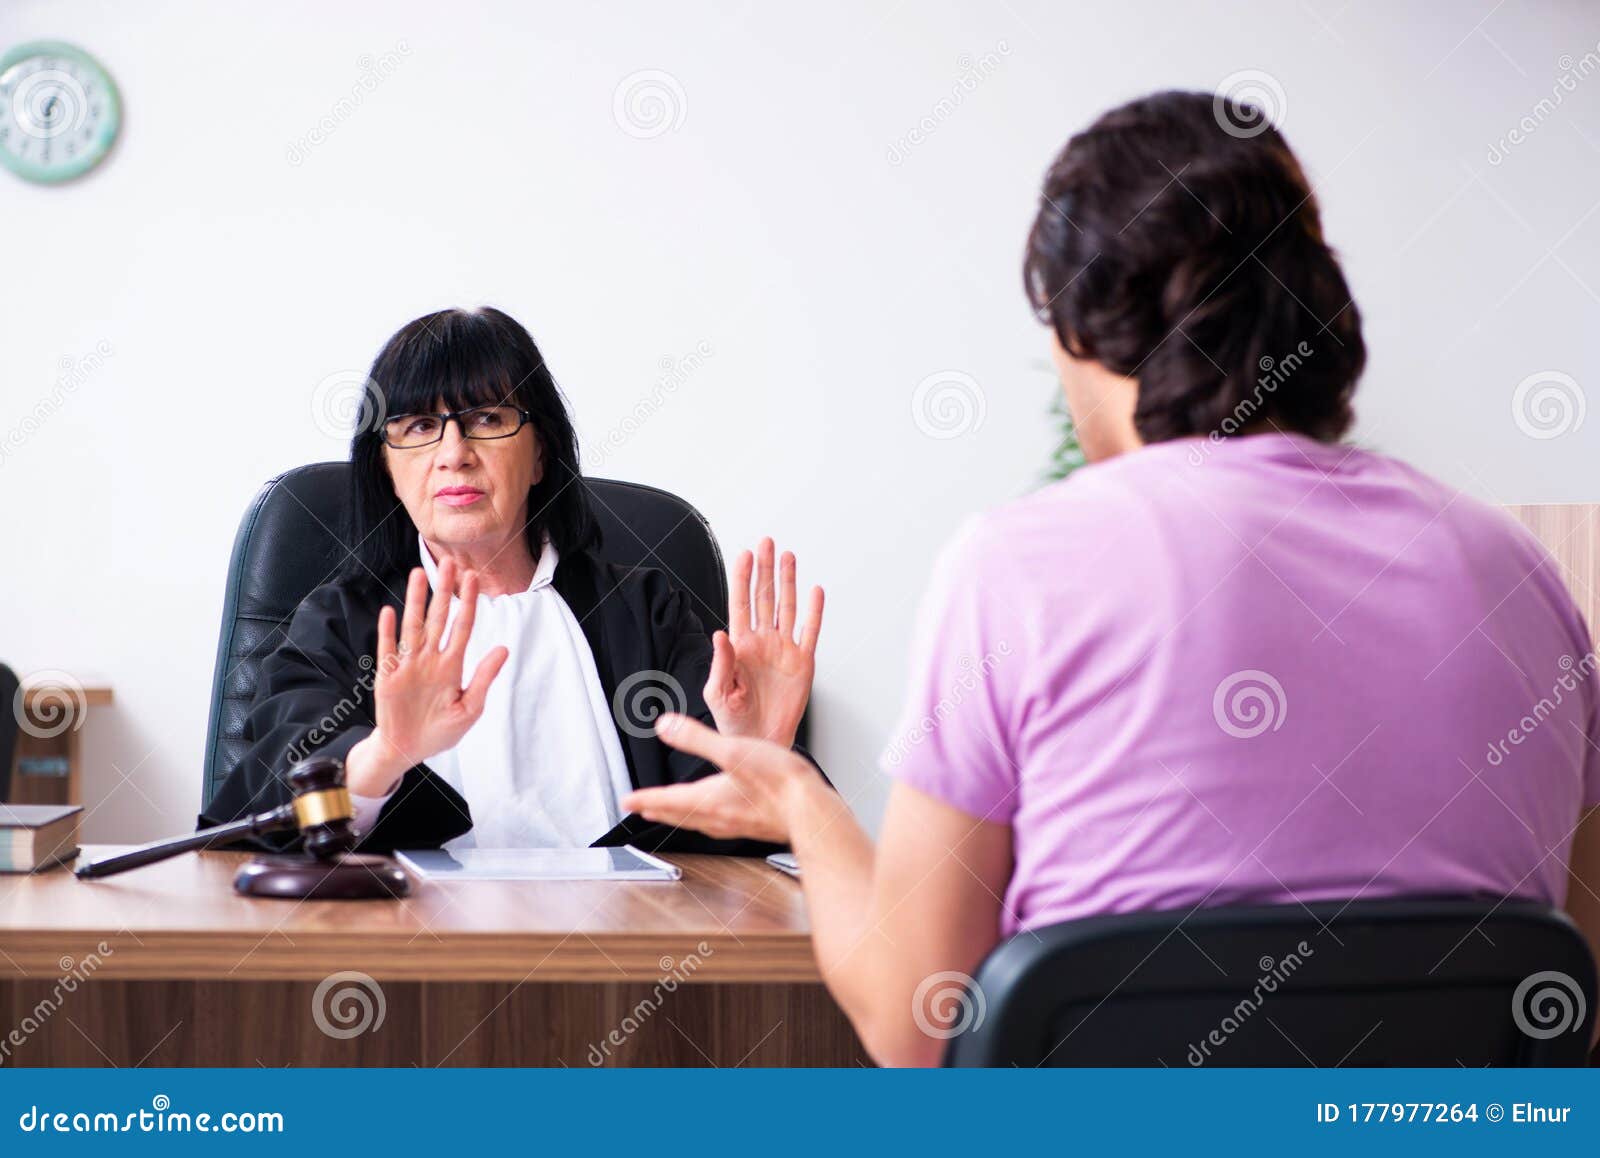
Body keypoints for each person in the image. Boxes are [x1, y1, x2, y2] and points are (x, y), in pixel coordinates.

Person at [622, 90, 1600, 1065]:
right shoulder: (1513, 573)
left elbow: (915, 1024)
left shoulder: (1019, 568)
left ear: (1080, 329)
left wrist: (801, 799)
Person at [203, 306, 824, 856]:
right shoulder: (341, 619)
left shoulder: (643, 610)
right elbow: (266, 804)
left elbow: (725, 843)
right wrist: (385, 753)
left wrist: (761, 756)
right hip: (405, 953)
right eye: (418, 427)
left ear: (541, 455)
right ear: (387, 469)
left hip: (624, 952)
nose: (453, 452)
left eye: (486, 418)